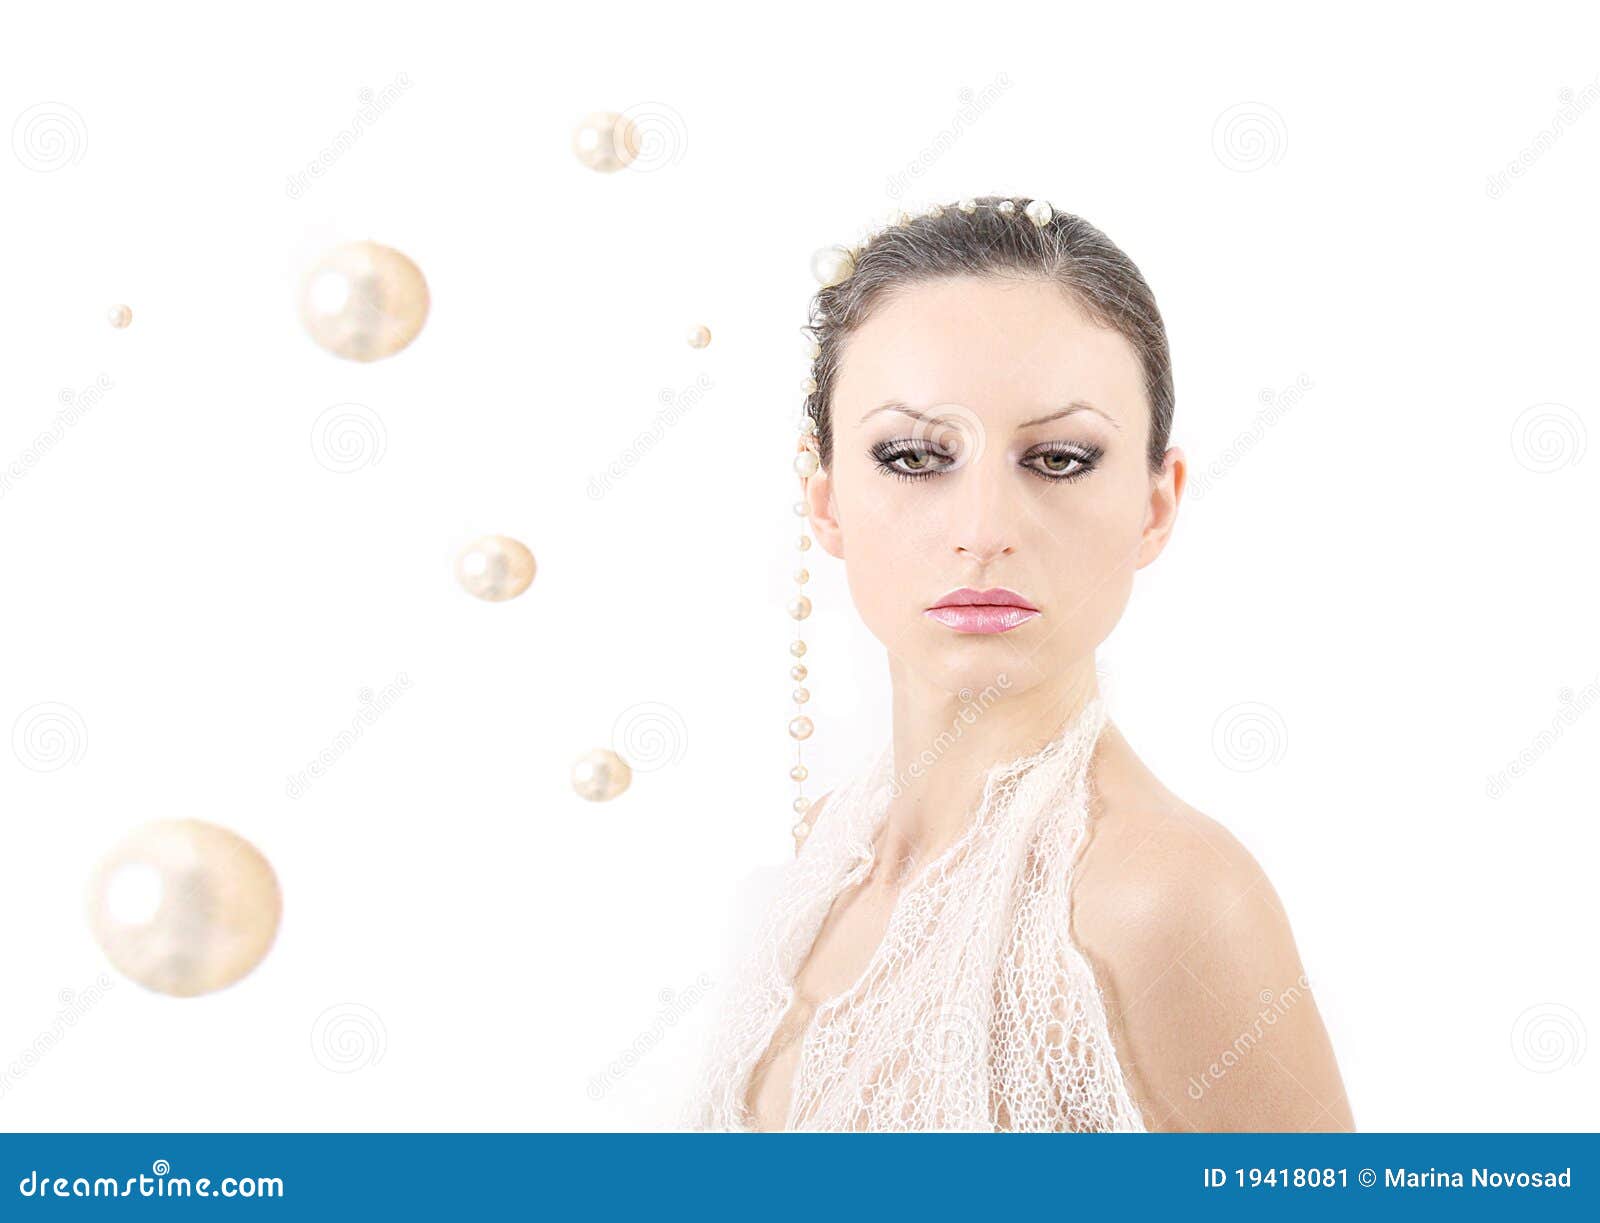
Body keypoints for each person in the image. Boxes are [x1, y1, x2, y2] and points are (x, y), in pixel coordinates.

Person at [683, 196, 1353, 1133]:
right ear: (826, 501)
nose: (984, 529)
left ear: (1156, 505)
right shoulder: (824, 851)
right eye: (914, 456)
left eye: (1060, 458)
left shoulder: (1170, 902)